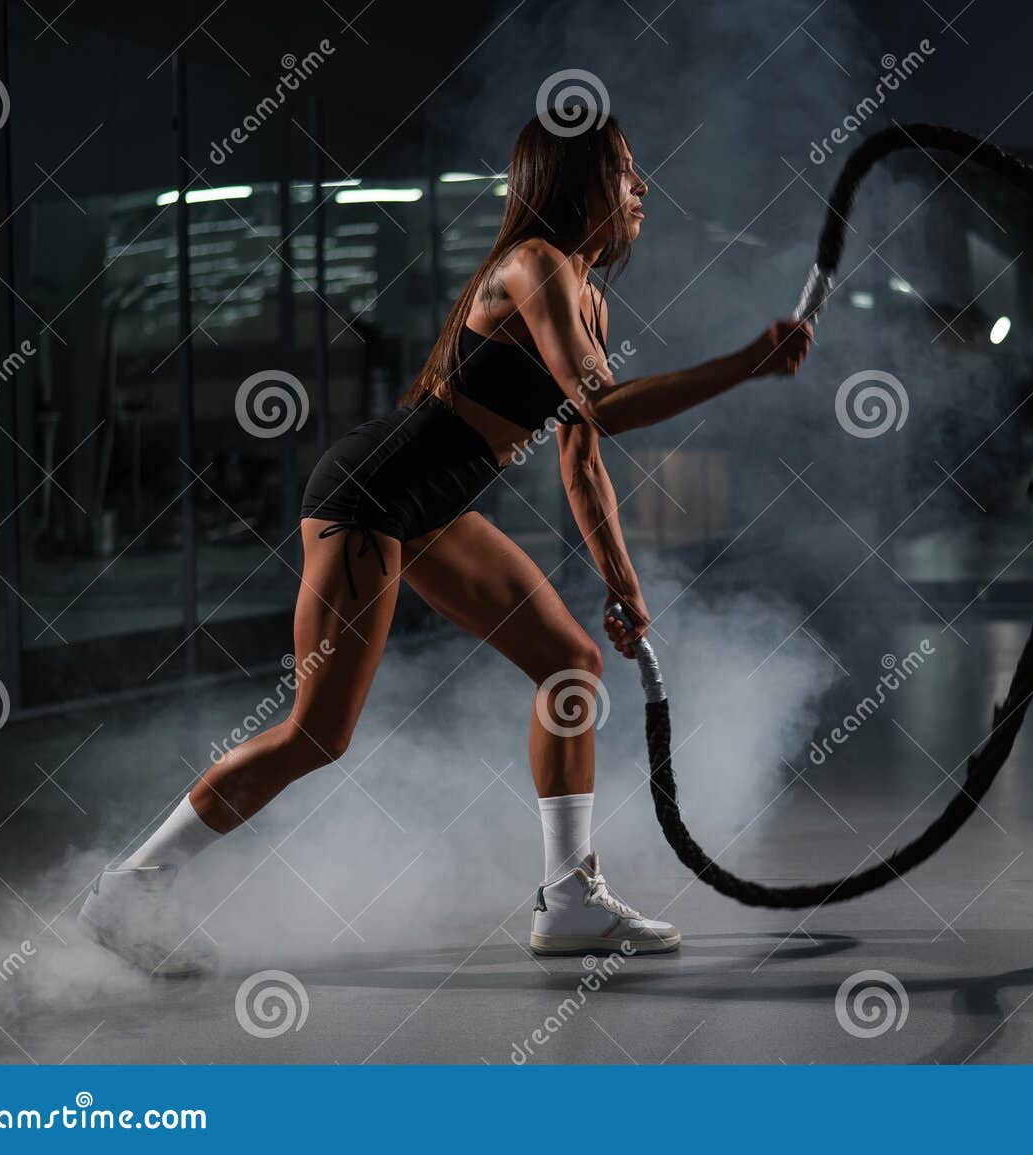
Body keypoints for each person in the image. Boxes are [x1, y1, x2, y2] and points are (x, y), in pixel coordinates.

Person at [79, 113, 813, 976]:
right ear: (575, 183)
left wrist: (622, 584)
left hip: (431, 507)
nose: (642, 189)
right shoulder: (533, 266)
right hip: (369, 495)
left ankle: (569, 899)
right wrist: (744, 366)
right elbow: (602, 406)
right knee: (318, 734)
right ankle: (130, 886)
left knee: (570, 663)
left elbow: (582, 458)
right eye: (624, 172)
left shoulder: (591, 298)